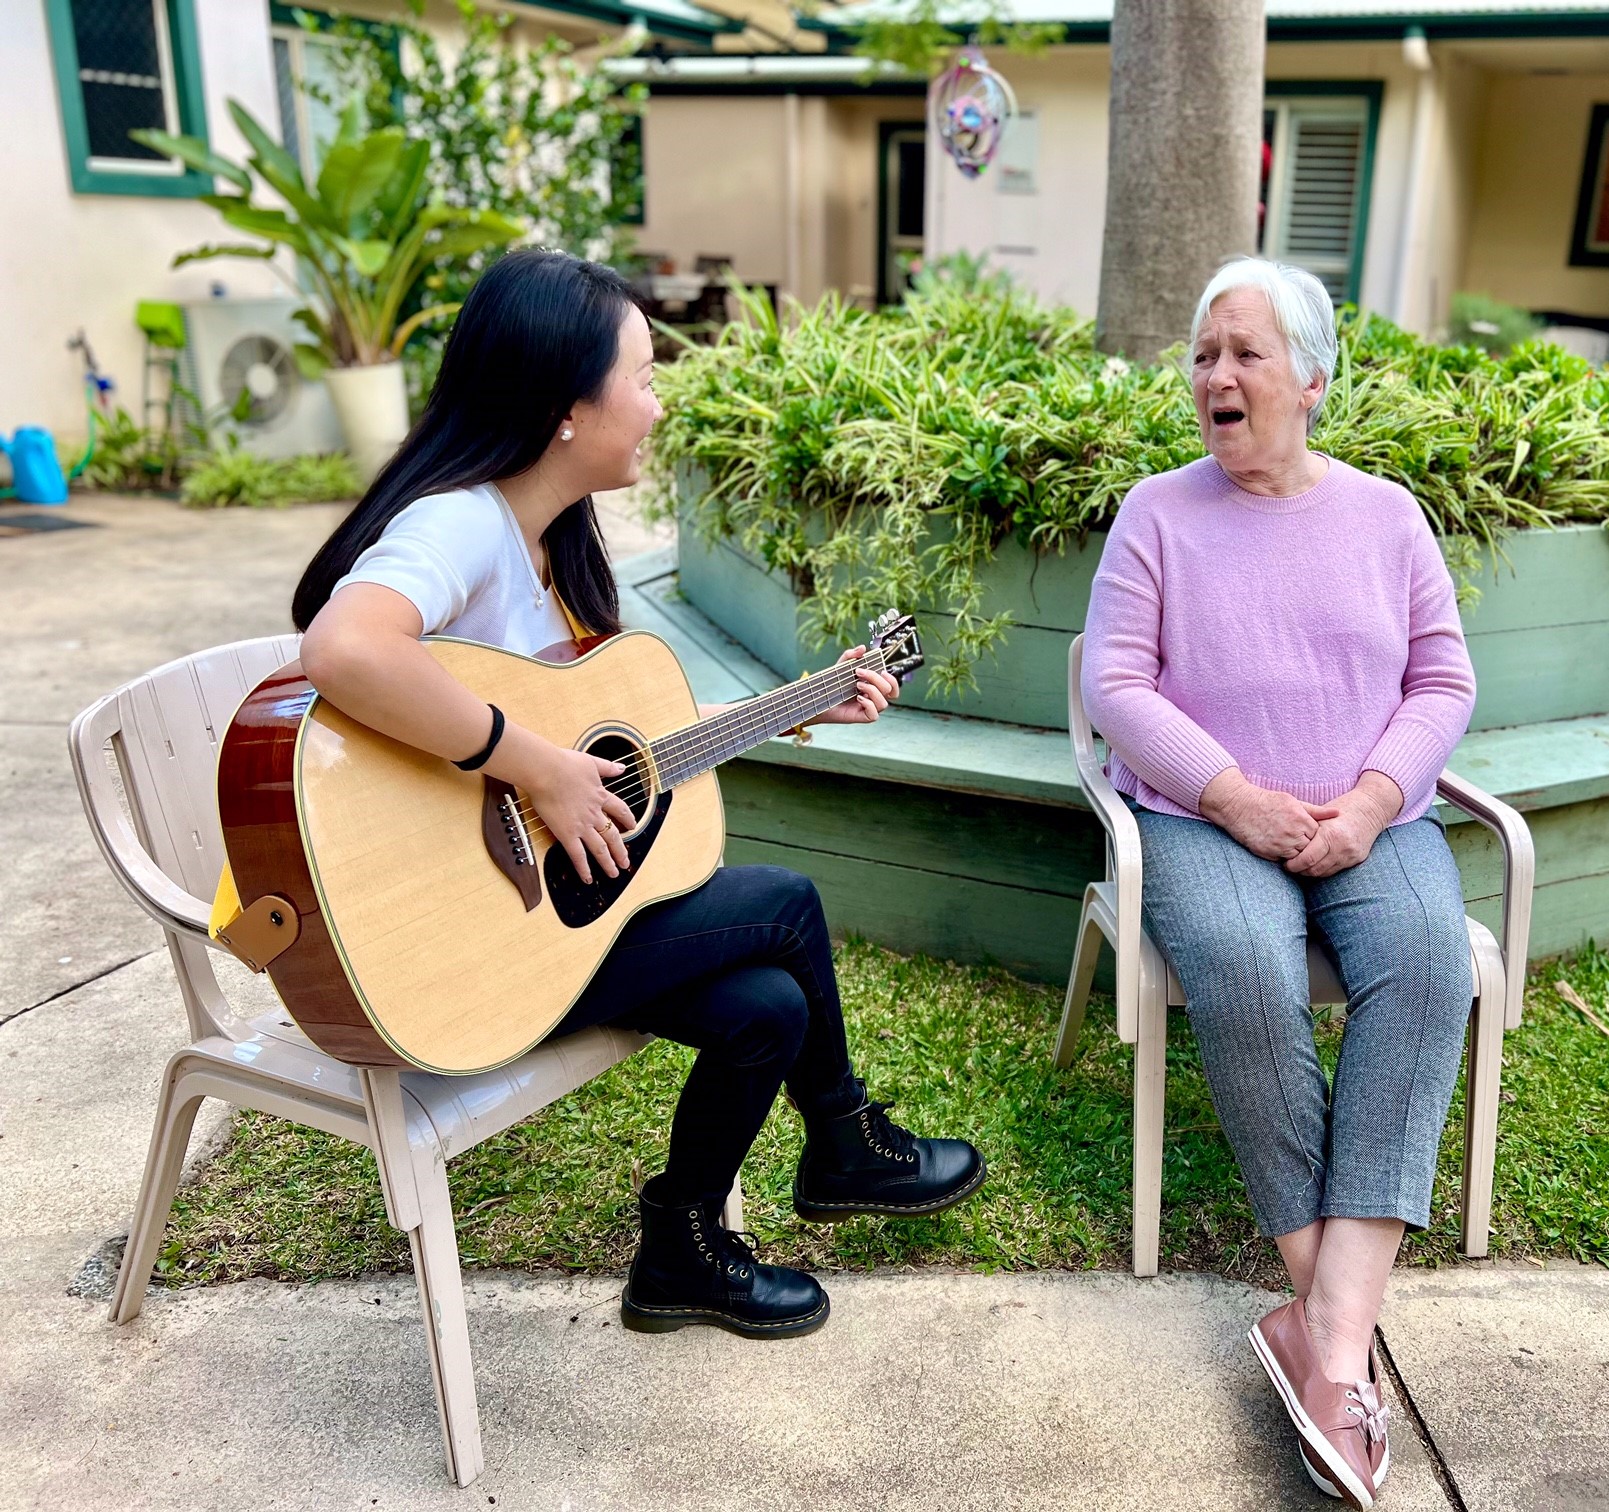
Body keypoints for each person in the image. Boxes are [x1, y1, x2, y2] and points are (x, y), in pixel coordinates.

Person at [290, 248, 985, 1341]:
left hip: (532, 938)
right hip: (453, 950)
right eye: (646, 377)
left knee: (770, 1009)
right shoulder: (462, 522)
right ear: (569, 408)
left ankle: (681, 1252)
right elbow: (342, 648)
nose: (659, 406)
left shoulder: (549, 545)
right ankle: (845, 1141)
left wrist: (799, 705)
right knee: (788, 903)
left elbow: (607, 750)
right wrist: (534, 767)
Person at [1081, 257, 1476, 1507]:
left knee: (1427, 963)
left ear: (1310, 379)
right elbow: (1117, 687)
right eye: (1204, 355)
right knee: (1249, 969)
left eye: (1245, 353)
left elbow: (1443, 683)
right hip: (1206, 816)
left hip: (1369, 818)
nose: (1217, 376)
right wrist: (1234, 795)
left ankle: (1324, 1334)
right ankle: (1337, 1340)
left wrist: (1368, 803)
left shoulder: (1387, 516)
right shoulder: (1157, 511)